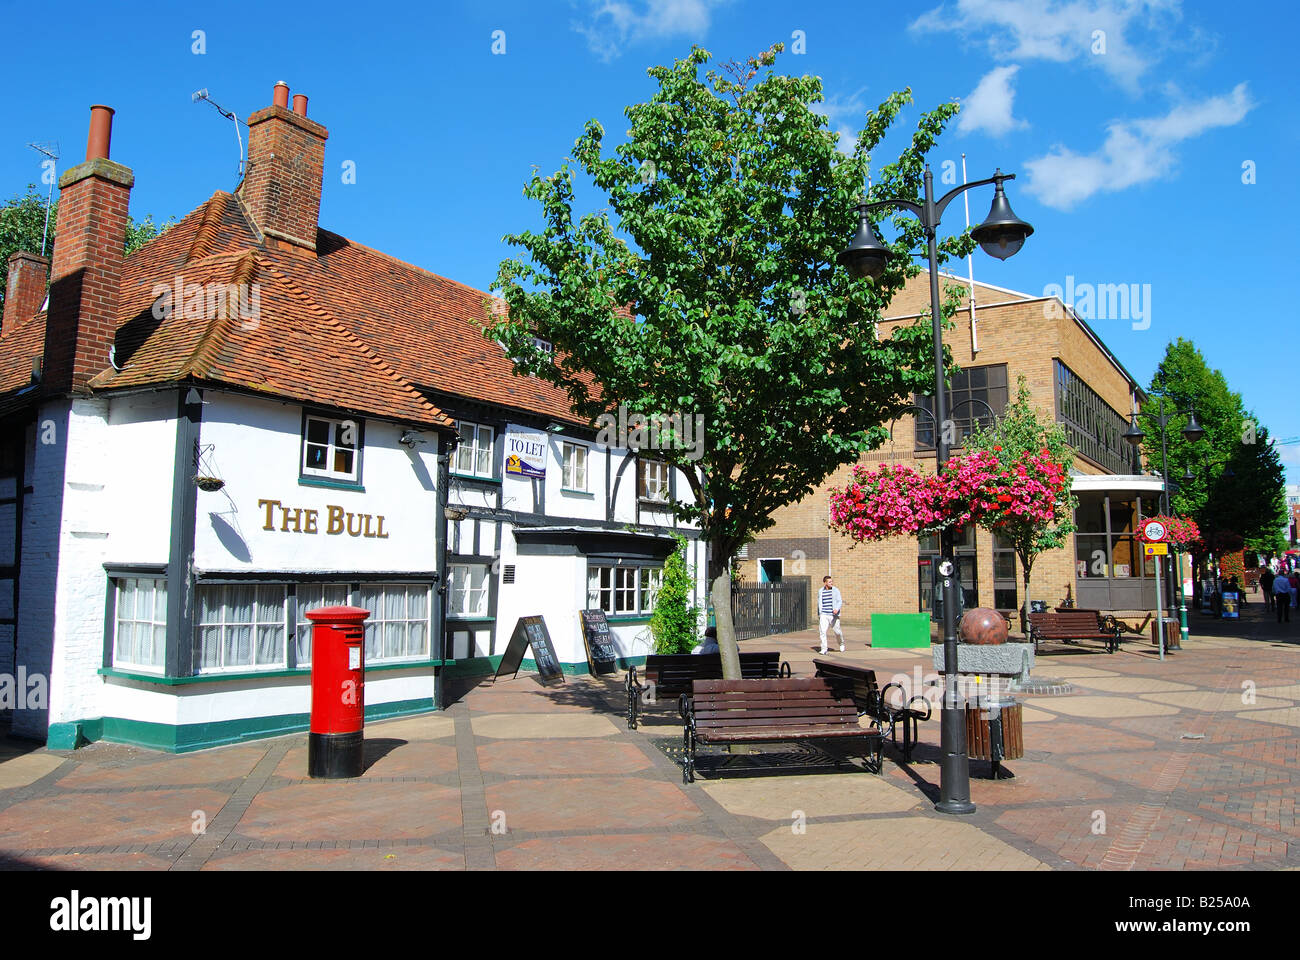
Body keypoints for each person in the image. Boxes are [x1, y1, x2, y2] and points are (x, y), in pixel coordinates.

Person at [817, 574, 845, 654]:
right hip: (824, 614)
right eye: (829, 582)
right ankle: (824, 649)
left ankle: (841, 643)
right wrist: (819, 613)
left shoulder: (836, 590)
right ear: (825, 583)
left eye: (832, 581)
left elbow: (839, 601)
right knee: (822, 631)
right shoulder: (820, 591)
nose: (831, 583)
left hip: (833, 615)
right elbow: (819, 603)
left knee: (837, 632)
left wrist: (837, 609)